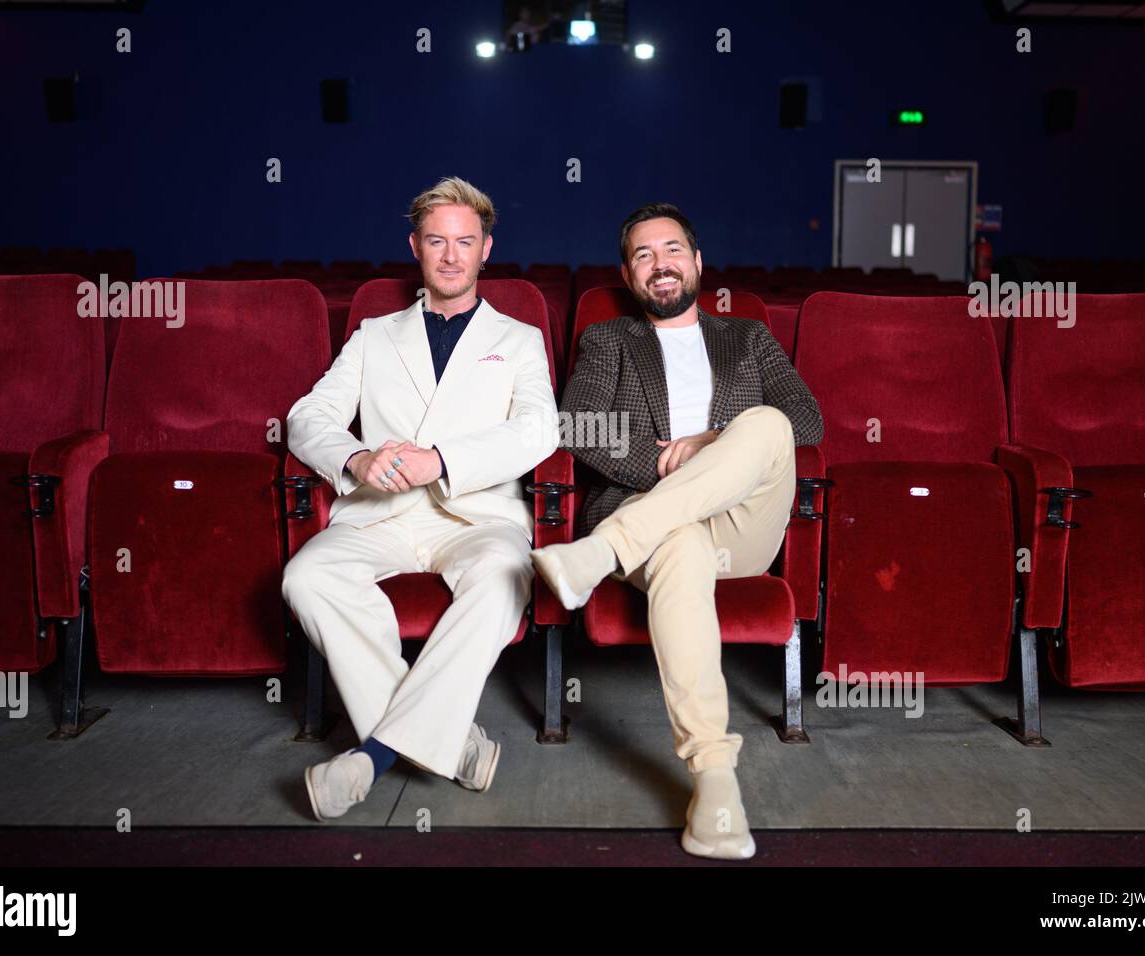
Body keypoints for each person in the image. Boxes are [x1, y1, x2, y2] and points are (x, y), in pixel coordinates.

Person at [531, 203, 823, 859]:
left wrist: (712, 444)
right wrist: (661, 467)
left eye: (670, 250)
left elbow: (806, 420)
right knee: (681, 540)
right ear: (629, 276)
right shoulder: (610, 341)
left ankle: (600, 553)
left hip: (740, 522)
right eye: (642, 255)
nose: (659, 264)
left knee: (769, 426)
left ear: (696, 262)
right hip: (659, 522)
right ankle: (715, 782)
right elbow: (578, 427)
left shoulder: (749, 338)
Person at [283, 176, 558, 820]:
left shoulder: (517, 339)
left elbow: (540, 430)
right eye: (437, 241)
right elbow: (307, 417)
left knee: (504, 575)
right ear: (415, 246)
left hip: (476, 514)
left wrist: (442, 461)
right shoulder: (375, 334)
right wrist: (355, 457)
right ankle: (455, 741)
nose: (452, 255)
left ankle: (372, 756)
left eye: (465, 241)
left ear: (487, 248)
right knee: (308, 575)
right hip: (381, 511)